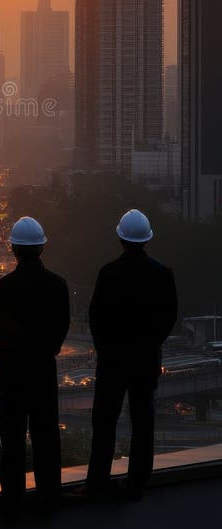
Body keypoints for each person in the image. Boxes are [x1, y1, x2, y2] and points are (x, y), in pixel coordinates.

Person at [83, 209, 178, 501]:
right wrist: (152, 344)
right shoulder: (162, 273)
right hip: (145, 360)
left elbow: (95, 318)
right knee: (143, 420)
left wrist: (106, 349)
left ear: (120, 238)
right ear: (147, 239)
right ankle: (137, 481)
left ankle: (97, 481)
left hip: (112, 361)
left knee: (104, 422)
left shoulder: (108, 273)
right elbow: (169, 316)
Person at [0, 216, 70, 514]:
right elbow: (61, 325)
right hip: (41, 369)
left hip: (12, 373)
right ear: (42, 248)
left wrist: (3, 362)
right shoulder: (58, 285)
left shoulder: (7, 285)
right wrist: (49, 349)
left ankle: (12, 498)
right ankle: (49, 495)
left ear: (14, 249)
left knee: (12, 437)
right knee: (46, 434)